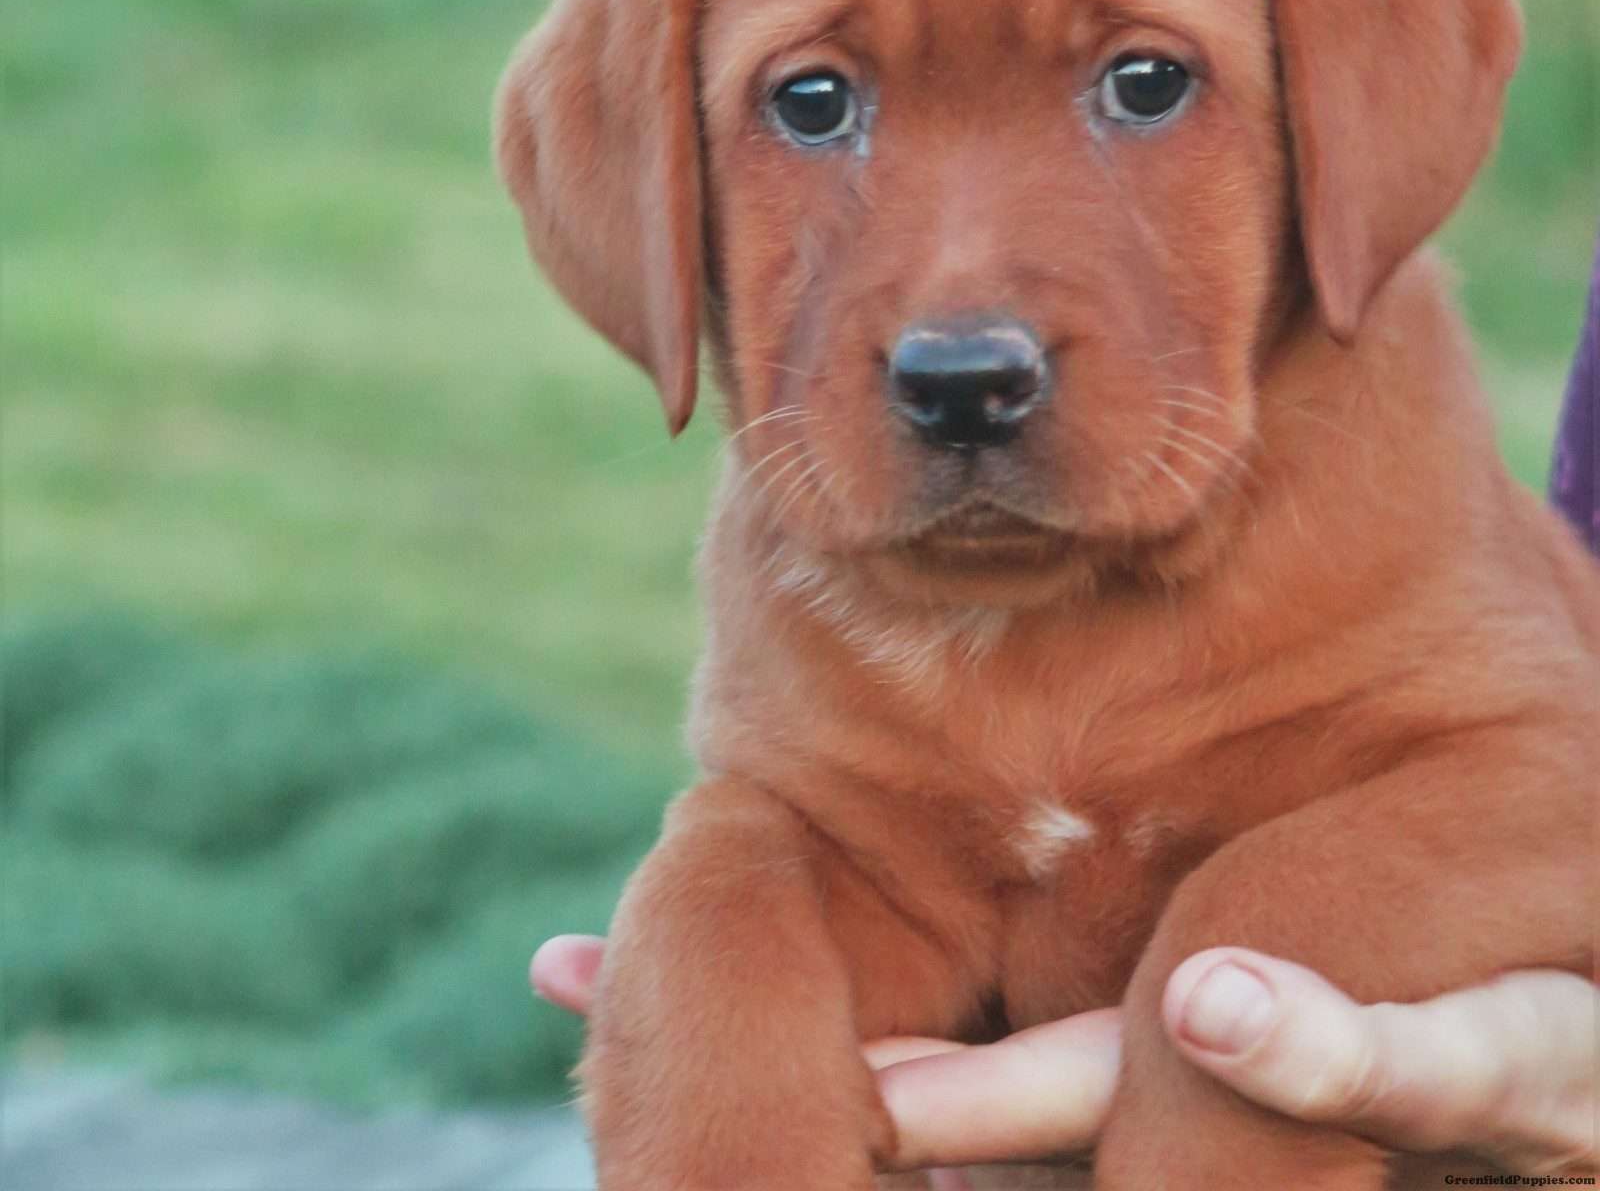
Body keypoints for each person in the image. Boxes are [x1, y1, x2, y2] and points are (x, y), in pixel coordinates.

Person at [532, 247, 1600, 1177]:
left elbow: (1552, 790)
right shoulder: (814, 595)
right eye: (811, 102)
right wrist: (723, 959)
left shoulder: (1393, 542)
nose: (964, 324)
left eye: (1143, 85)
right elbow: (863, 881)